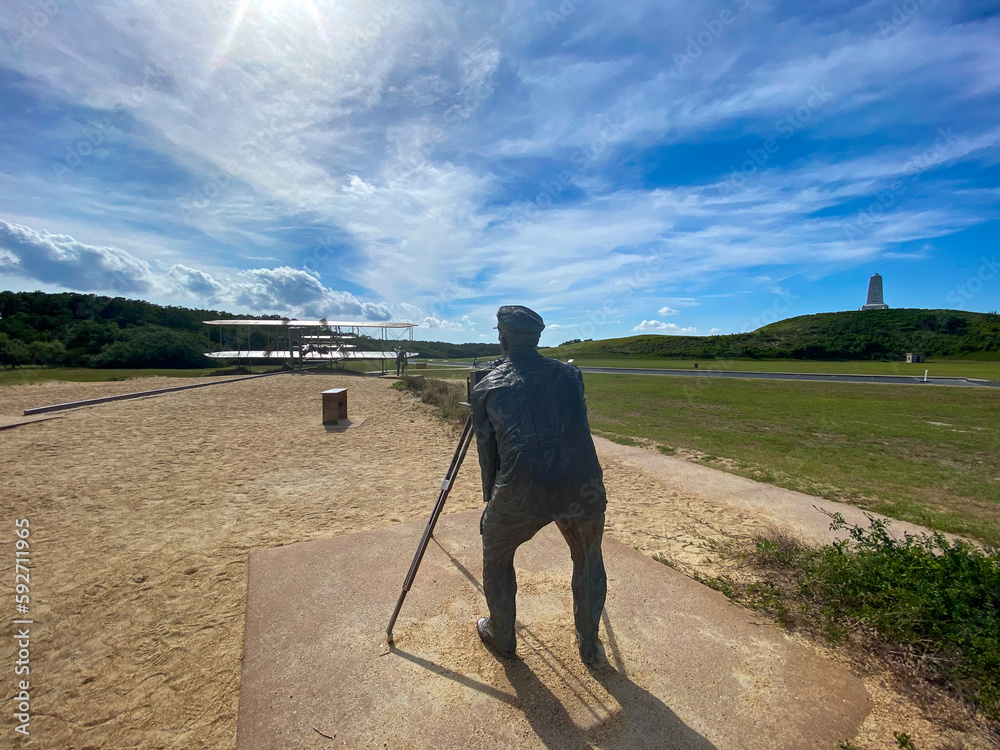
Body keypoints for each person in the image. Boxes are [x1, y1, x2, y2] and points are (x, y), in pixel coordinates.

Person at [471, 305, 608, 665]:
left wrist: (491, 503)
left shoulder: (485, 387)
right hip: (581, 481)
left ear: (503, 337)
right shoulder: (571, 374)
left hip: (521, 487)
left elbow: (488, 457)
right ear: (537, 338)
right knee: (589, 557)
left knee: (496, 553)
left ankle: (502, 634)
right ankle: (589, 645)